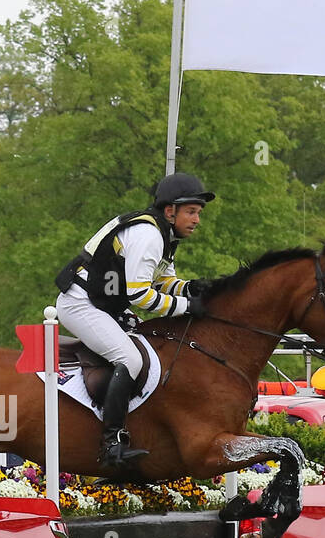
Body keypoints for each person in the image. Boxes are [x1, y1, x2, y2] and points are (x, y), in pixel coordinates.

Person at [54, 171, 215, 466]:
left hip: (104, 304)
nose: (196, 220)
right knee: (131, 361)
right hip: (81, 304)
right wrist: (187, 307)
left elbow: (165, 283)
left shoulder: (164, 236)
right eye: (191, 212)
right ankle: (111, 444)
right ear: (170, 211)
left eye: (198, 213)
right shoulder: (149, 235)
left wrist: (191, 289)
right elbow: (140, 295)